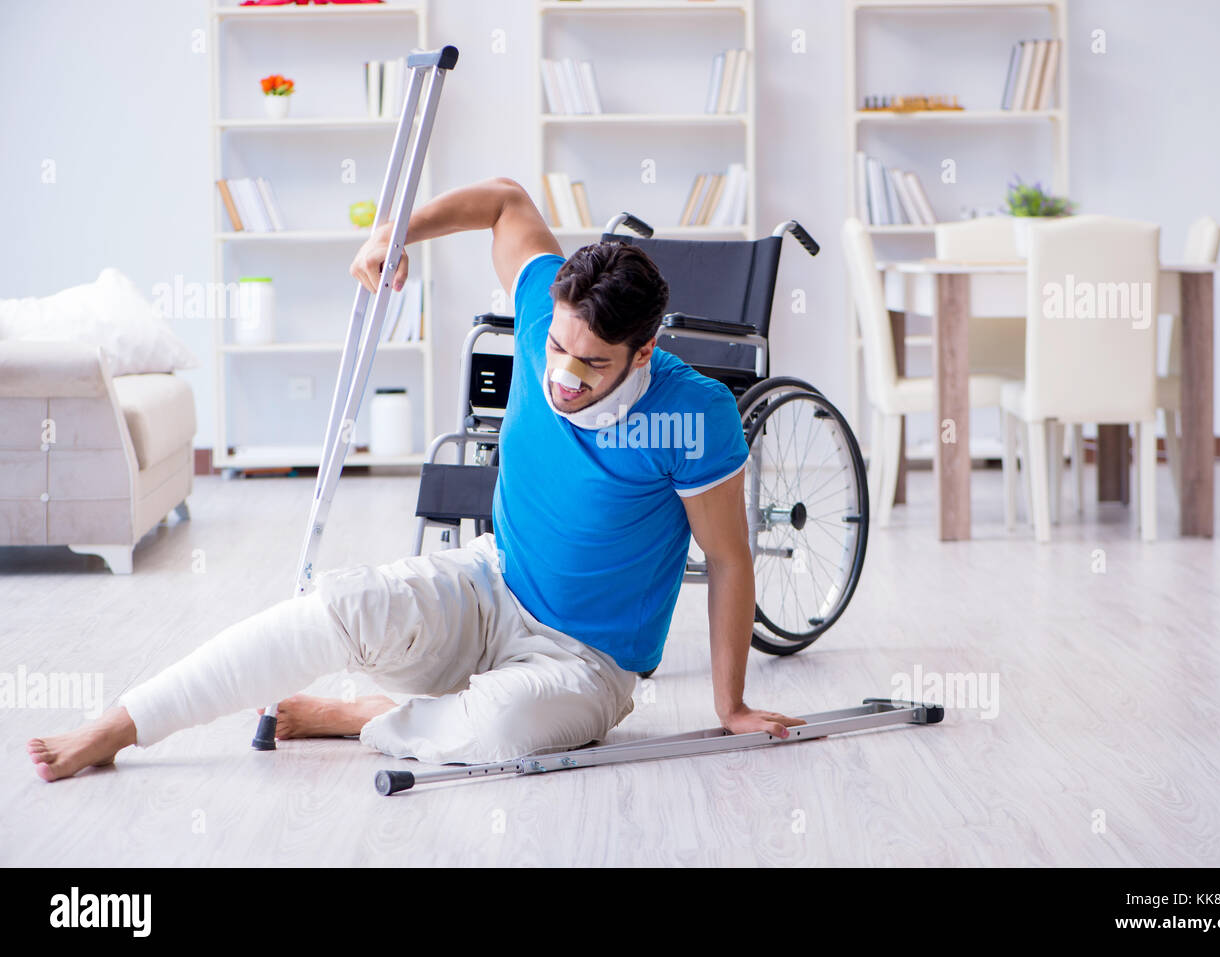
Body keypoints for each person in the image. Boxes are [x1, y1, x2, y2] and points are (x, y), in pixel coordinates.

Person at [28, 177, 806, 782]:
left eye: (592, 362)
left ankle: (366, 715)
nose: (562, 377)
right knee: (341, 605)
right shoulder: (543, 306)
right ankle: (122, 723)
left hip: (586, 661)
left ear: (642, 352)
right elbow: (505, 201)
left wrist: (729, 704)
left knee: (501, 729)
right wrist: (394, 234)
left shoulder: (695, 413)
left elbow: (731, 559)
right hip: (492, 583)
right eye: (557, 349)